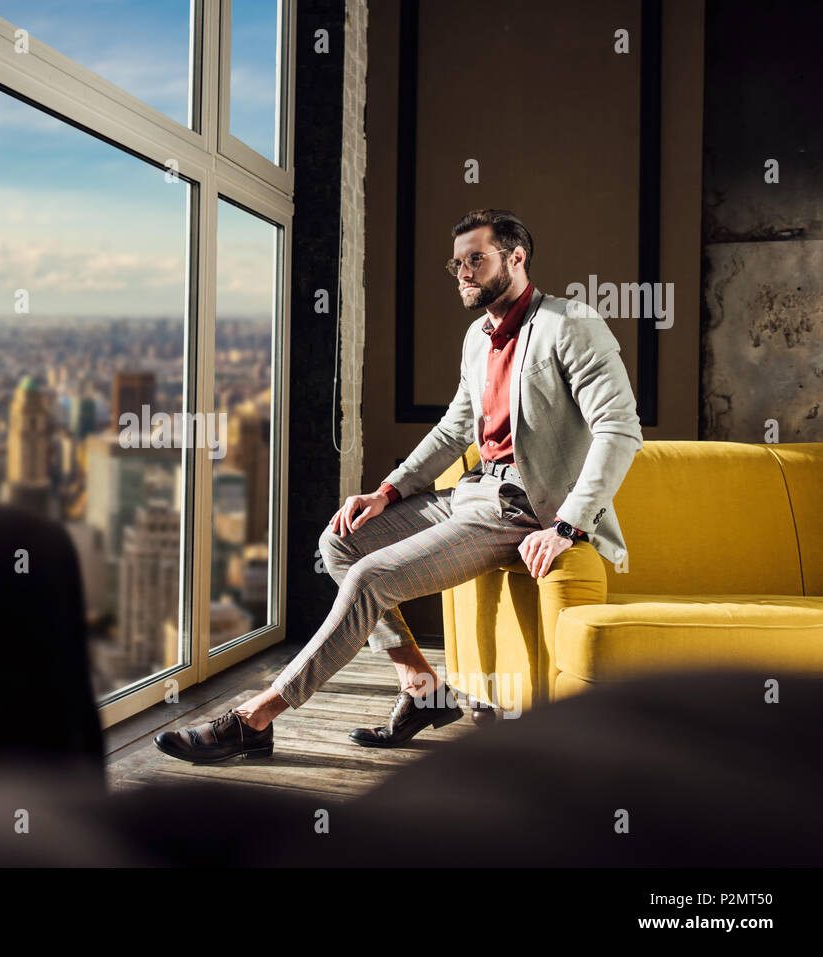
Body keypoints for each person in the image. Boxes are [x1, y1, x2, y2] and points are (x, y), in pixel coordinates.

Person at [155, 209, 643, 762]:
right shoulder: (477, 339)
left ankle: (255, 718)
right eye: (457, 264)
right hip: (472, 495)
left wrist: (567, 524)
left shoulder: (569, 323)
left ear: (517, 258)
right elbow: (454, 428)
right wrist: (386, 491)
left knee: (369, 577)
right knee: (339, 542)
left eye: (476, 260)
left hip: (522, 509)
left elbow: (620, 428)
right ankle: (421, 687)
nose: (463, 273)